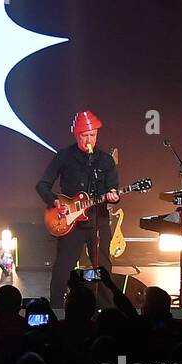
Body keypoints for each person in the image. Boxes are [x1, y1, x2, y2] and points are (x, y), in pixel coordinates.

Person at [36, 110, 120, 308]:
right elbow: (42, 184)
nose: (90, 139)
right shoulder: (64, 156)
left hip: (98, 222)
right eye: (85, 135)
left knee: (103, 270)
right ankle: (57, 309)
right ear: (77, 134)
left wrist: (113, 197)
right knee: (62, 270)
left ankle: (107, 312)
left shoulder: (105, 160)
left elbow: (113, 189)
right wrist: (54, 201)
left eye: (93, 135)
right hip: (71, 224)